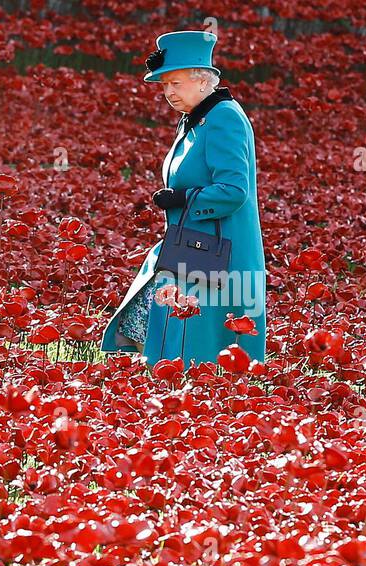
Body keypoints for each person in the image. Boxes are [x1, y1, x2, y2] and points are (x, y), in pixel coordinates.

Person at [100, 30, 267, 369]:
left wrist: (183, 198)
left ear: (203, 80)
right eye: (164, 86)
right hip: (191, 246)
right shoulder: (195, 119)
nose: (169, 92)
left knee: (198, 342)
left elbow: (235, 191)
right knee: (161, 326)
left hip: (218, 251)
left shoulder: (224, 117)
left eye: (175, 83)